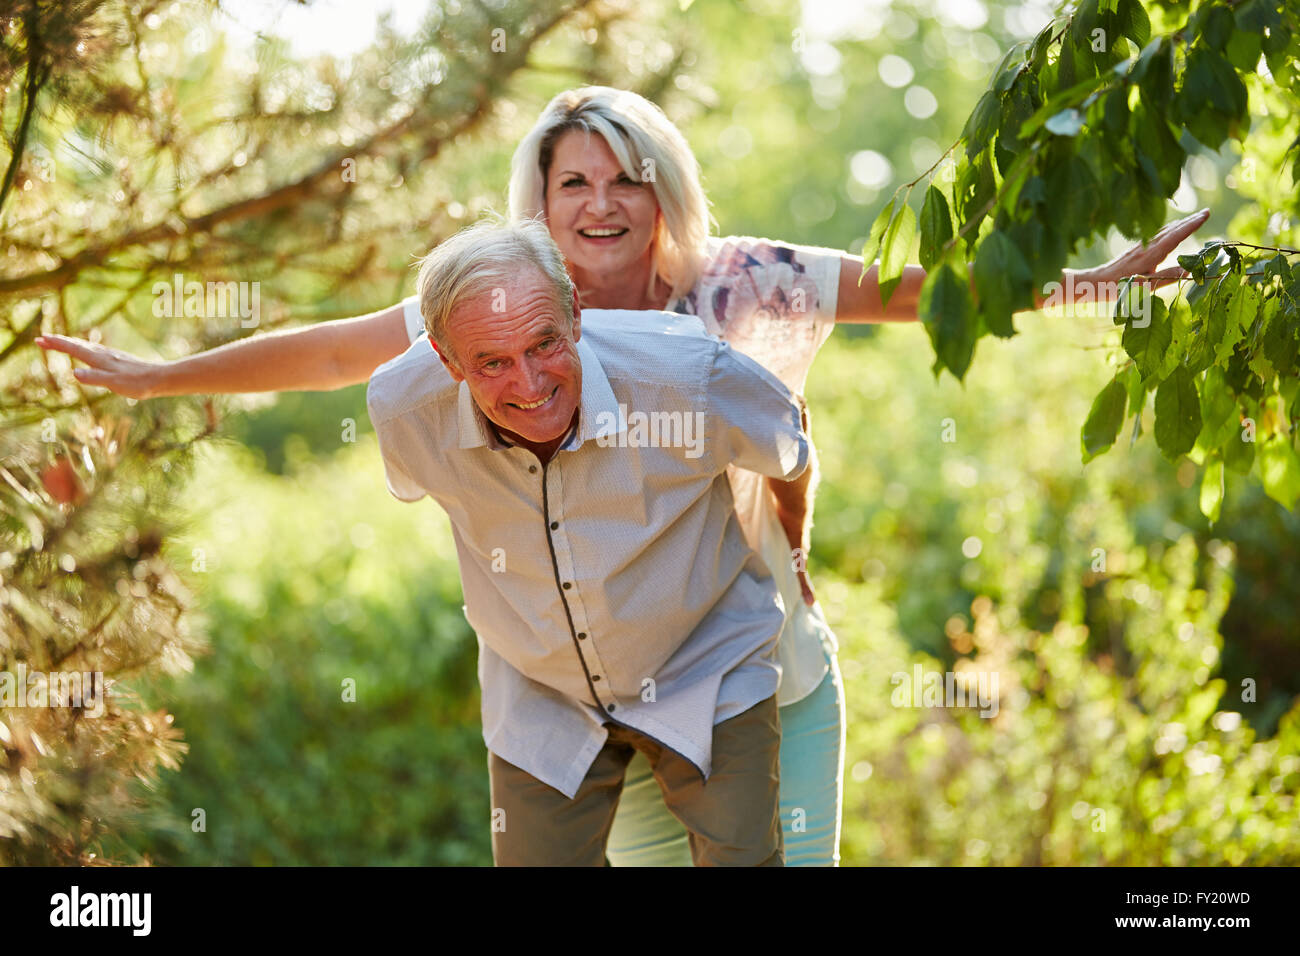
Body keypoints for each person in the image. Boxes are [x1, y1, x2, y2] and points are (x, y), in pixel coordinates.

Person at [36, 85, 1209, 866]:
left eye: (624, 178)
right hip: (598, 713)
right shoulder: (492, 305)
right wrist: (155, 377)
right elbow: (338, 348)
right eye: (572, 184)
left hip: (757, 678)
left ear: (663, 190)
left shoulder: (741, 282)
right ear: (537, 209)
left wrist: (1093, 279)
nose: (600, 204)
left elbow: (920, 290)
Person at [371, 216, 810, 865]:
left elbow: (789, 447)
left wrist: (795, 555)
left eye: (544, 344)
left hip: (703, 661)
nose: (529, 385)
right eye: (491, 362)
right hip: (538, 686)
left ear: (575, 312)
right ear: (445, 358)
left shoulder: (687, 376)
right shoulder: (404, 411)